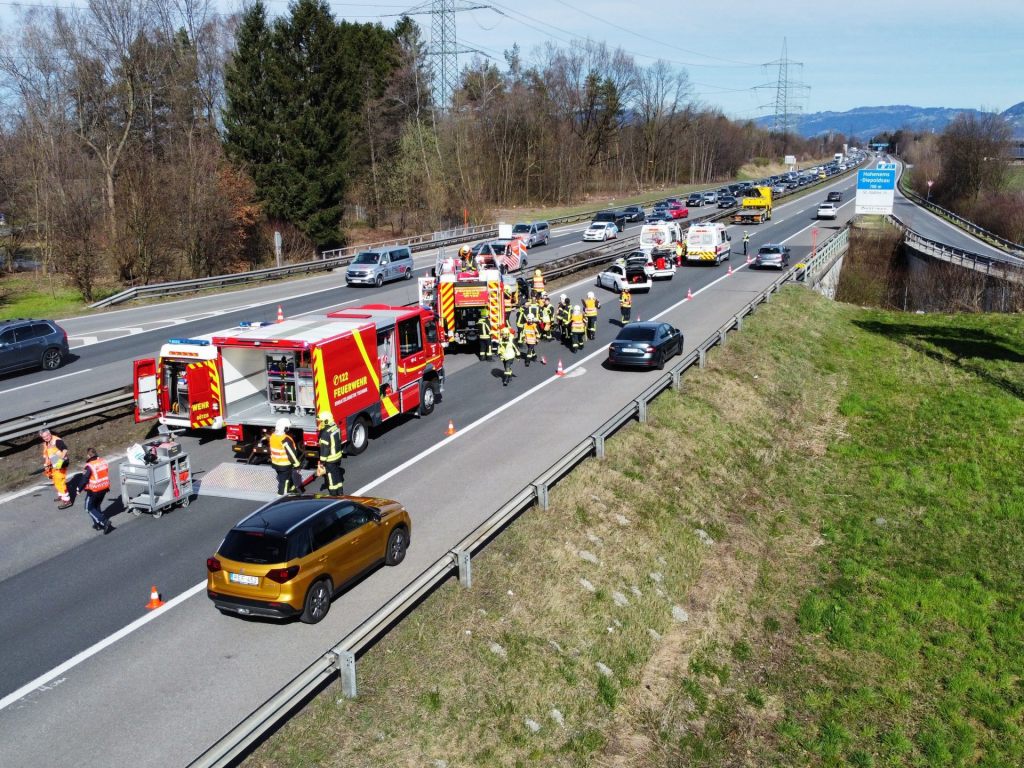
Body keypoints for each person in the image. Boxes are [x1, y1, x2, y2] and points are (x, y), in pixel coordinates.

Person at [77, 447, 113, 534]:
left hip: (94, 490)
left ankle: (104, 521)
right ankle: (97, 524)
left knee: (88, 508)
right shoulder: (103, 461)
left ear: (88, 455)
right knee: (96, 506)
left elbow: (84, 479)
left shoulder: (90, 466)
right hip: (104, 488)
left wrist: (79, 489)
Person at [269, 418, 303, 496]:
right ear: (285, 428)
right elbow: (291, 454)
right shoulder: (285, 439)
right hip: (285, 465)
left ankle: (291, 491)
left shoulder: (273, 436)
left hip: (276, 463)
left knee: (283, 479)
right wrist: (297, 465)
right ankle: (281, 497)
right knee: (284, 482)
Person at [40, 428, 72, 509]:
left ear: (50, 433)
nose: (46, 437)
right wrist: (48, 465)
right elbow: (48, 454)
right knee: (55, 480)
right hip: (54, 464)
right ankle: (61, 495)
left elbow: (65, 449)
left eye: (47, 435)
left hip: (60, 464)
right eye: (44, 437)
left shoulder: (56, 440)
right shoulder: (47, 443)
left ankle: (67, 500)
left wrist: (60, 461)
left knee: (60, 481)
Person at [316, 411, 344, 495]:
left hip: (330, 459)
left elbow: (325, 449)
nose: (319, 423)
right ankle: (340, 491)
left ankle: (333, 494)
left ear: (326, 421)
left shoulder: (325, 433)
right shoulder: (335, 427)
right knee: (337, 473)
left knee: (331, 477)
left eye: (321, 421)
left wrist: (322, 462)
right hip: (337, 456)